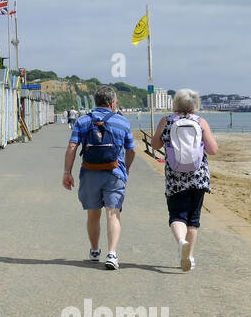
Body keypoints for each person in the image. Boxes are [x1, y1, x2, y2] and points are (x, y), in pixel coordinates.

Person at [63, 86, 135, 269]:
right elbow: (131, 150)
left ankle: (95, 250)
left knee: (93, 215)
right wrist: (125, 169)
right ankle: (112, 254)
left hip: (89, 172)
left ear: (96, 102)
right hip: (115, 173)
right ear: (112, 103)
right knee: (113, 213)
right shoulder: (122, 122)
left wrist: (67, 172)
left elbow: (72, 147)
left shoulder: (83, 120)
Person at [150, 89, 218, 272]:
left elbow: (155, 145)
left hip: (175, 176)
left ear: (176, 103)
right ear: (195, 104)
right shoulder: (200, 121)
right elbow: (213, 150)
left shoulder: (167, 121)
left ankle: (181, 242)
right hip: (198, 176)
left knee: (177, 216)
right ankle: (189, 256)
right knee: (193, 219)